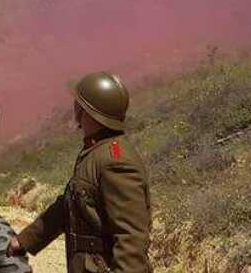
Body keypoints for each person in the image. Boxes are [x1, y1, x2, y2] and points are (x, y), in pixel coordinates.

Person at [8, 72, 152, 273]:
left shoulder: (115, 161)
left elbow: (131, 238)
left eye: (79, 105)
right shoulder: (96, 152)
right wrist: (24, 241)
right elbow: (67, 206)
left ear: (89, 112)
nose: (75, 109)